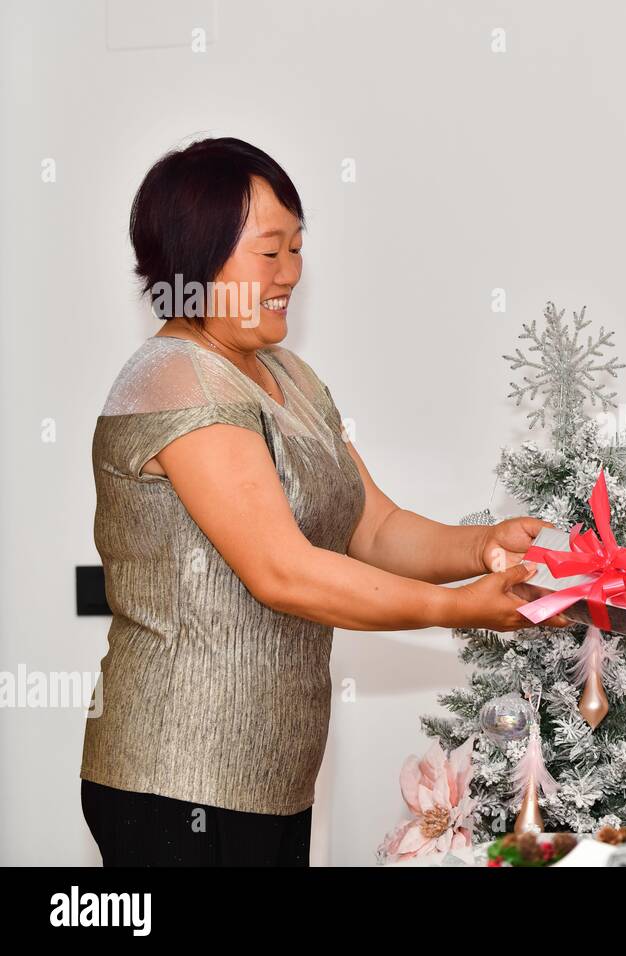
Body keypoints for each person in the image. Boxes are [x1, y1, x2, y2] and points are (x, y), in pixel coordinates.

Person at [81, 137, 567, 866]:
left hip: (269, 776)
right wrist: (462, 608)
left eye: (297, 250)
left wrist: (481, 546)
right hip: (176, 778)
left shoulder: (288, 375)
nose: (290, 274)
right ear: (196, 257)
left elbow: (374, 526)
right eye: (269, 252)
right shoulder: (176, 378)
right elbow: (285, 572)